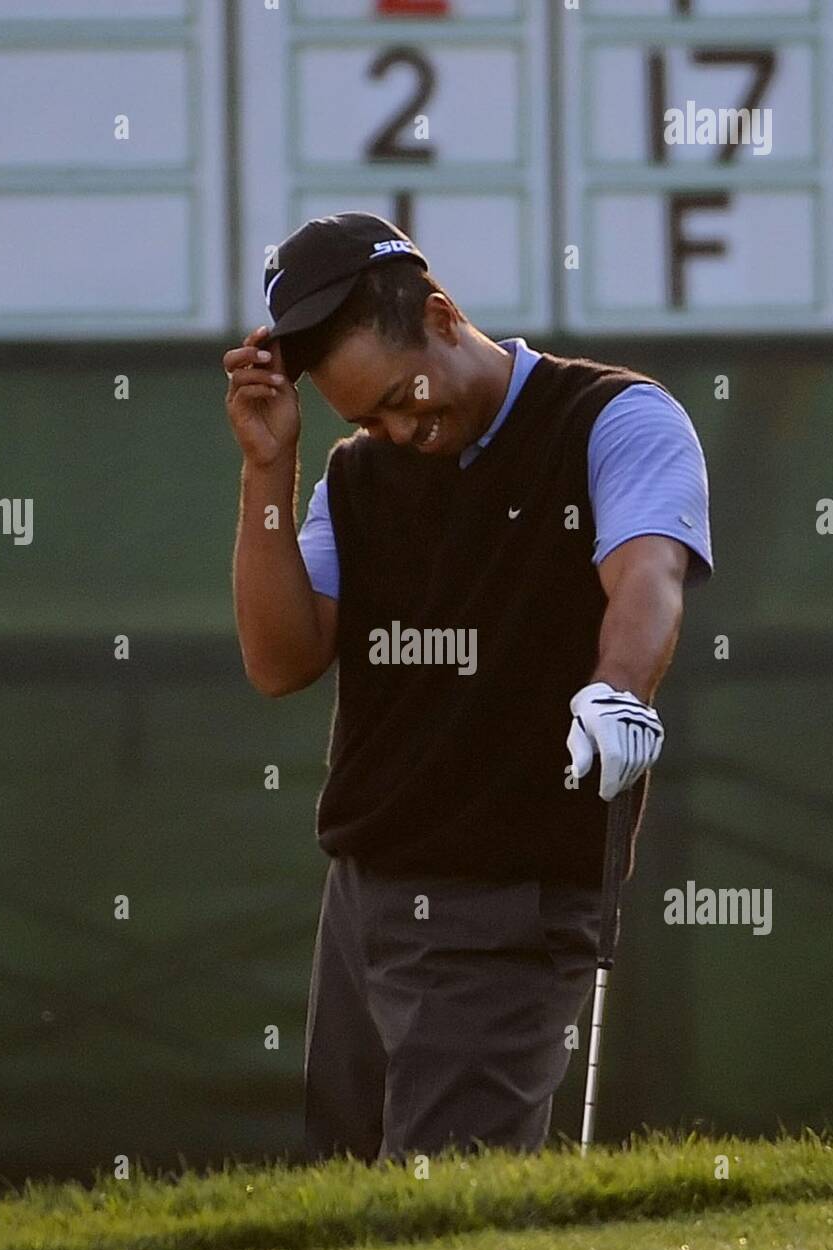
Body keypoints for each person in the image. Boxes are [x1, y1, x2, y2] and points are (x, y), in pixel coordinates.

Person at [224, 213, 712, 1164]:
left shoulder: (615, 417)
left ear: (443, 318)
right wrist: (268, 465)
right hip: (364, 900)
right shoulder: (358, 474)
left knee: (440, 1212)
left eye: (403, 399)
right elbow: (278, 660)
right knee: (344, 1216)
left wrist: (617, 692)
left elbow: (645, 573)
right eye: (367, 418)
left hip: (510, 898)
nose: (400, 431)